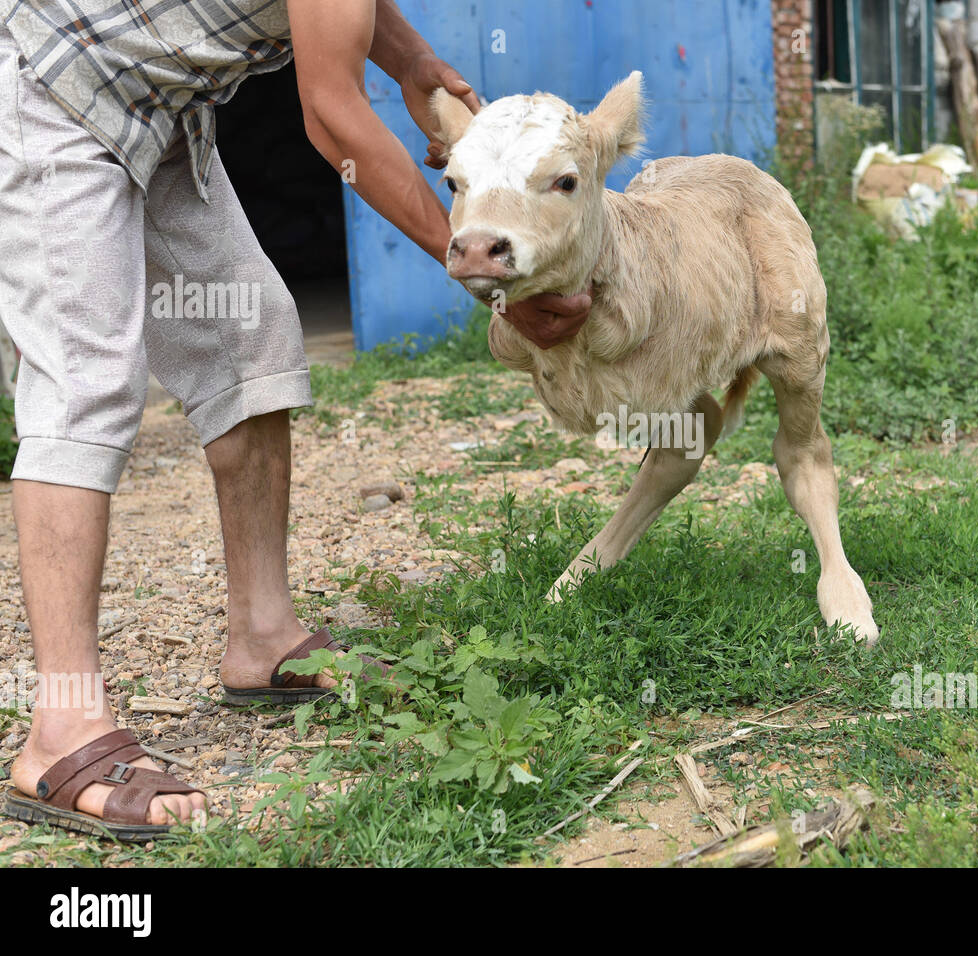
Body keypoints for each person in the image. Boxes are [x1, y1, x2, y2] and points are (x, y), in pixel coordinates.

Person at [0, 0, 590, 840]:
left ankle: (263, 635)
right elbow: (331, 115)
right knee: (84, 381)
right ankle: (58, 728)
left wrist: (412, 60)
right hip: (49, 80)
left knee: (251, 337)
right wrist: (478, 266)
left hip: (153, 103)